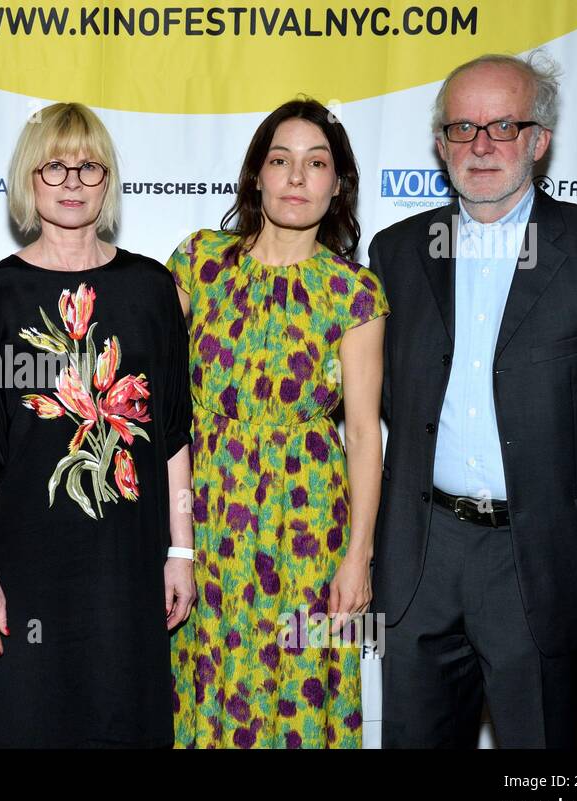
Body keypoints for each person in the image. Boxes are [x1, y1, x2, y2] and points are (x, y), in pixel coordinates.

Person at [368, 52, 577, 748]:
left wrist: (549, 483)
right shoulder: (397, 253)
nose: (481, 145)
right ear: (440, 144)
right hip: (423, 557)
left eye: (503, 125)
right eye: (462, 127)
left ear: (539, 140)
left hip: (538, 559)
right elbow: (388, 396)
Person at [0, 102, 195, 748]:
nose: (74, 181)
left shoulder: (149, 287)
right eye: (56, 166)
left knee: (127, 721)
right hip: (27, 568)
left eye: (90, 167)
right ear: (30, 178)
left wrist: (182, 550)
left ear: (108, 181)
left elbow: (171, 432)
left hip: (128, 567)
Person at [169, 99, 388, 749]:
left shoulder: (354, 292)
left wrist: (359, 555)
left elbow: (363, 435)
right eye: (281, 160)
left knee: (296, 690)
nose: (297, 177)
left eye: (316, 163)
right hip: (204, 514)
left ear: (337, 182)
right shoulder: (201, 262)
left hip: (307, 526)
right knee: (205, 676)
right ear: (257, 175)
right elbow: (142, 383)